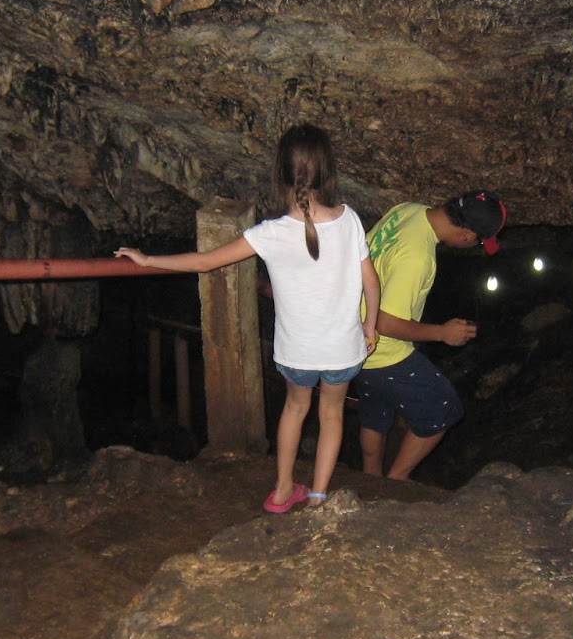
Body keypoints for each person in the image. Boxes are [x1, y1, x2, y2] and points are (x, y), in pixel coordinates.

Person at [116, 125, 379, 512]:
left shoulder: (269, 233)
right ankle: (320, 497)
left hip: (297, 352)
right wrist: (370, 326)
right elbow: (370, 282)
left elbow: (205, 261)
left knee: (294, 409)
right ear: (328, 171)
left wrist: (149, 258)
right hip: (343, 348)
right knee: (332, 413)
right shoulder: (349, 220)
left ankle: (284, 489)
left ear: (280, 176)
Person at [357, 190, 507, 480]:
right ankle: (396, 482)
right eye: (477, 241)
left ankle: (370, 478)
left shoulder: (407, 210)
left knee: (377, 410)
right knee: (444, 409)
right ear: (466, 236)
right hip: (381, 350)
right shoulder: (418, 257)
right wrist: (442, 333)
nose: (471, 245)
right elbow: (386, 322)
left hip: (352, 340)